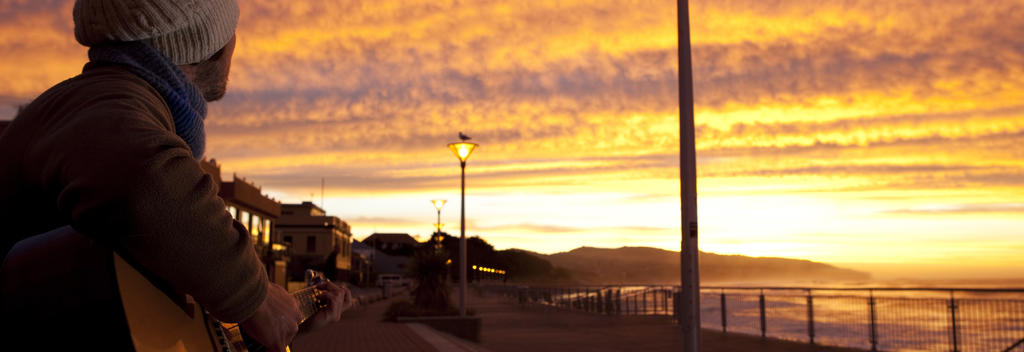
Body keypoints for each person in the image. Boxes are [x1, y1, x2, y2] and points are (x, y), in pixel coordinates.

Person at [0, 0, 351, 350]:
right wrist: (255, 296)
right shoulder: (107, 103)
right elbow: (139, 180)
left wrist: (268, 323)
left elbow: (130, 321)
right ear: (209, 46)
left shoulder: (102, 104)